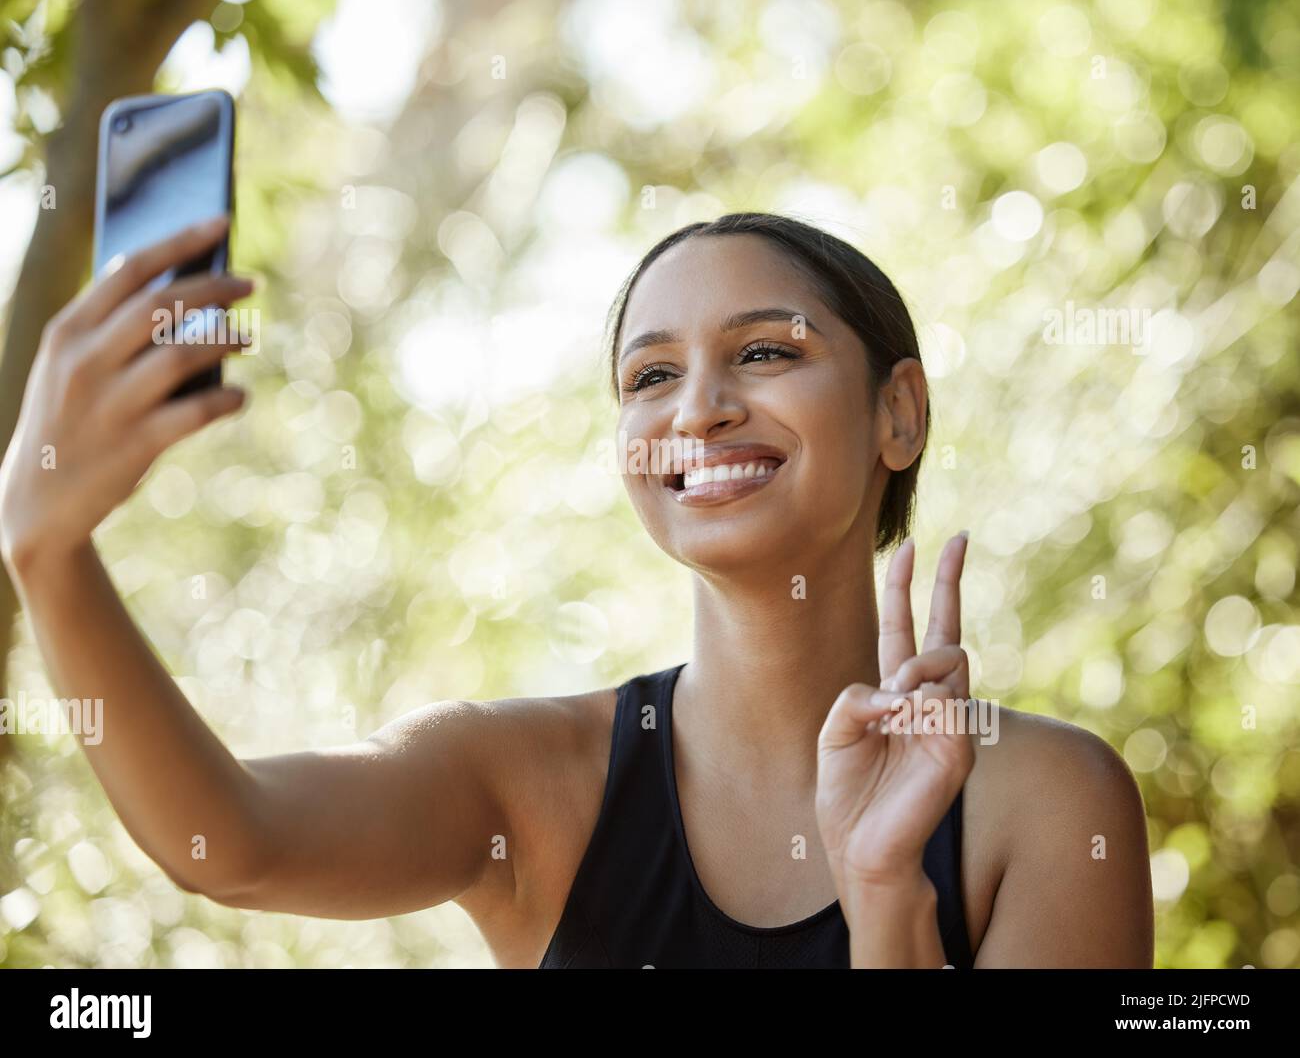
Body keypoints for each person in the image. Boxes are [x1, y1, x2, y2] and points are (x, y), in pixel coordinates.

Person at [0, 211, 1154, 968]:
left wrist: (885, 897)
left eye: (764, 352)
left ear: (896, 412)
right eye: (650, 375)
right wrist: (48, 556)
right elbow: (230, 844)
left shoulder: (1045, 804)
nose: (696, 407)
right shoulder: (526, 783)